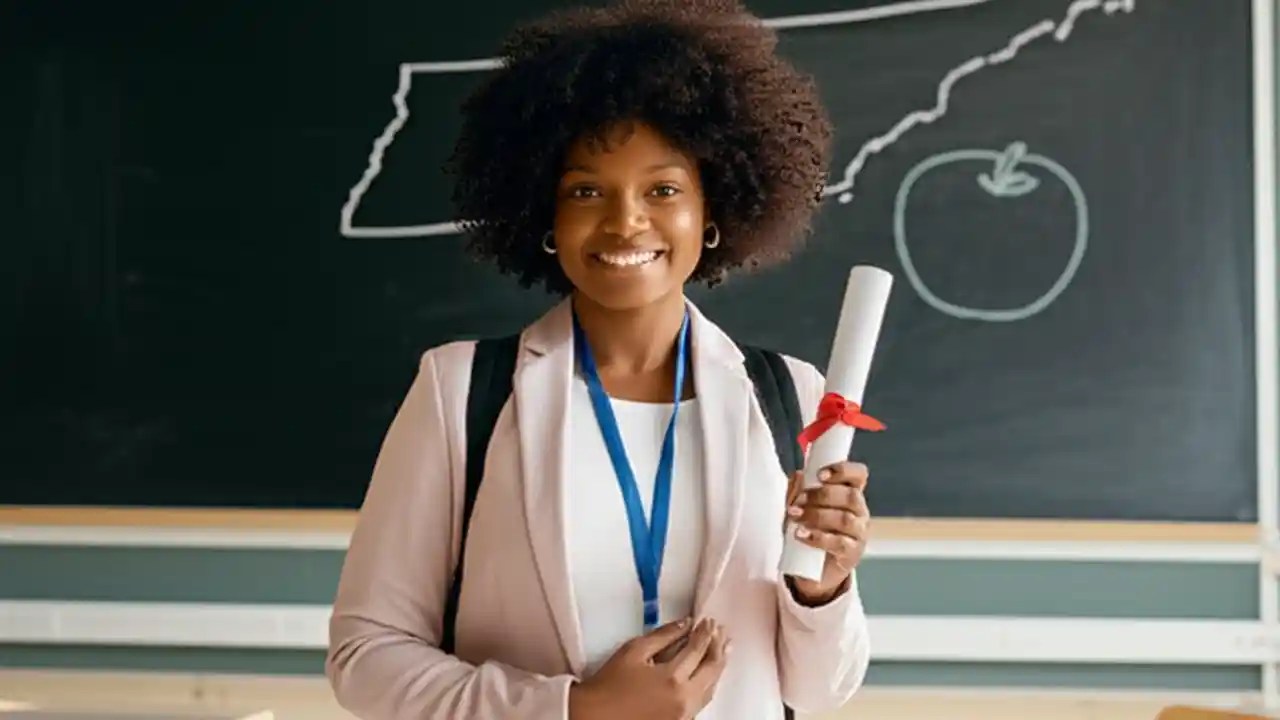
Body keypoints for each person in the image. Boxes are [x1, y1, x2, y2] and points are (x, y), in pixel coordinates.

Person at [326, 1, 873, 718]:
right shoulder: (462, 391)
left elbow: (819, 692)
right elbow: (366, 657)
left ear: (713, 213)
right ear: (543, 215)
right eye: (586, 190)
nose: (625, 221)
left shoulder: (789, 395)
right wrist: (576, 709)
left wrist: (822, 588)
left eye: (663, 189)